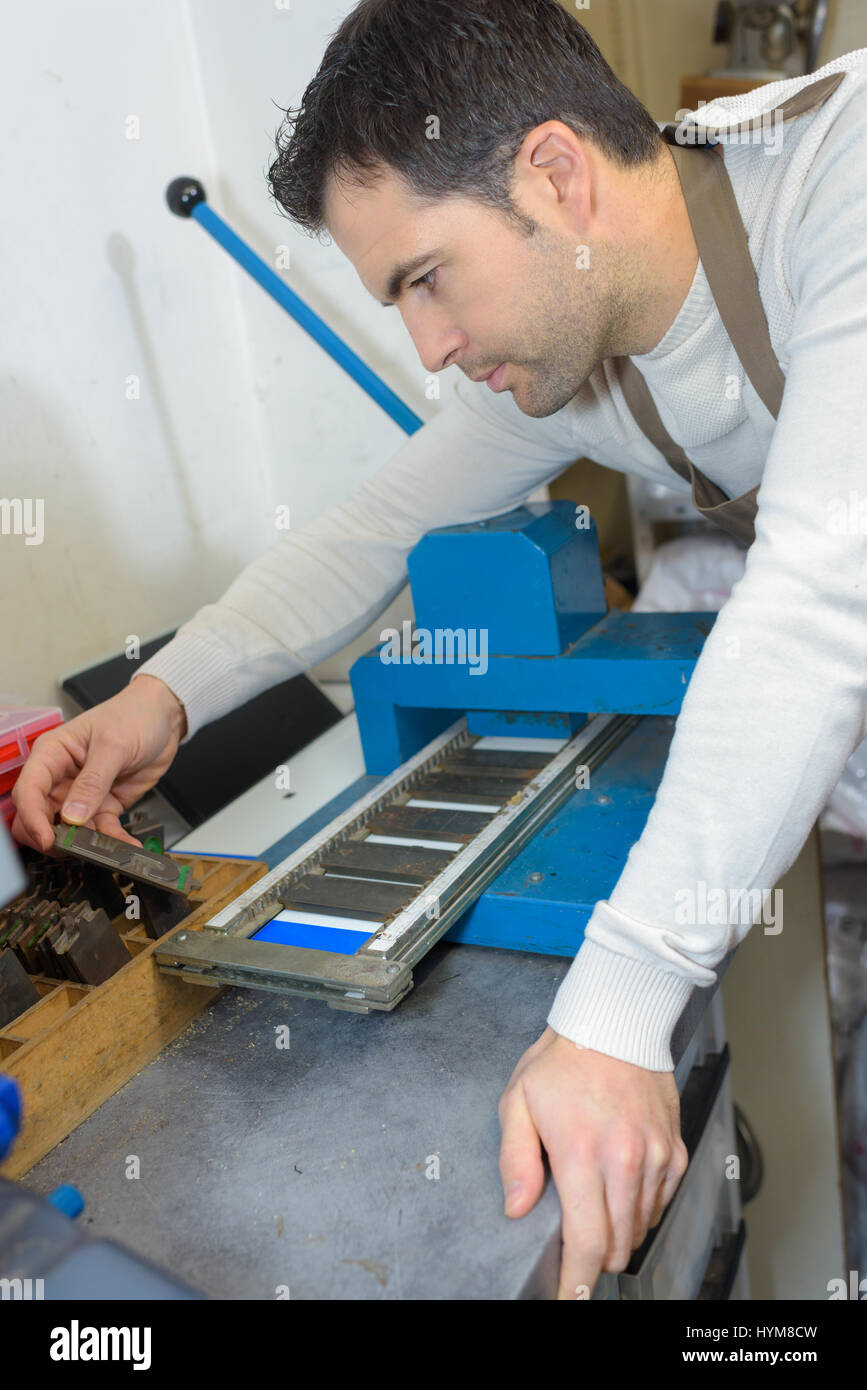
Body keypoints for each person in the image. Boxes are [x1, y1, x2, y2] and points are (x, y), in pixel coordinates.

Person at [12, 0, 867, 1298]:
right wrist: (159, 695)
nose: (428, 345)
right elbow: (364, 534)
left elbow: (814, 601)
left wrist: (617, 1006)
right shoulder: (581, 358)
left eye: (424, 277)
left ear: (556, 176)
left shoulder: (842, 182)